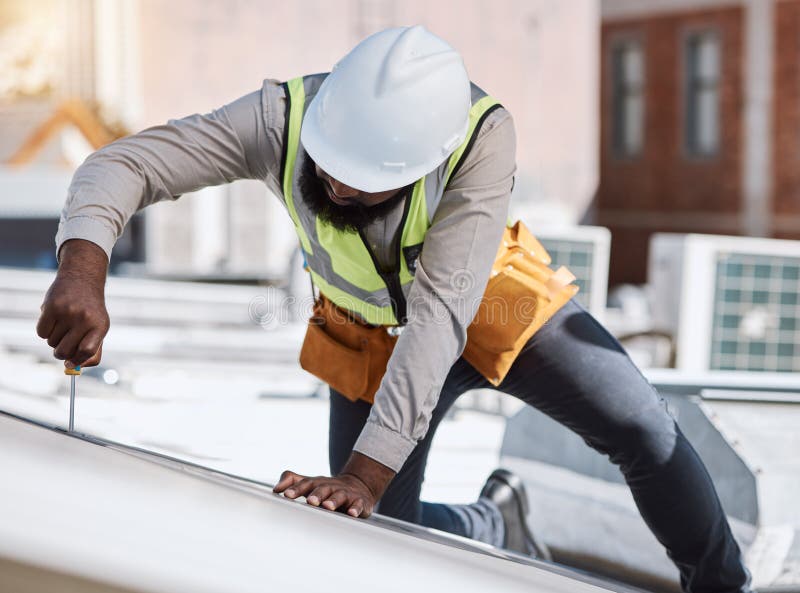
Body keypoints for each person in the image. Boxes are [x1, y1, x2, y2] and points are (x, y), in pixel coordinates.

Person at [37, 26, 752, 592]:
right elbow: (124, 163)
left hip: (490, 303)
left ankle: (722, 584)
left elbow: (443, 311)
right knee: (377, 534)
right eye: (329, 163)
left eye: (364, 182)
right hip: (363, 329)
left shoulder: (479, 135)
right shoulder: (279, 117)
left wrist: (363, 472)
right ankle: (494, 518)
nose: (338, 187)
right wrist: (83, 265)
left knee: (643, 426)